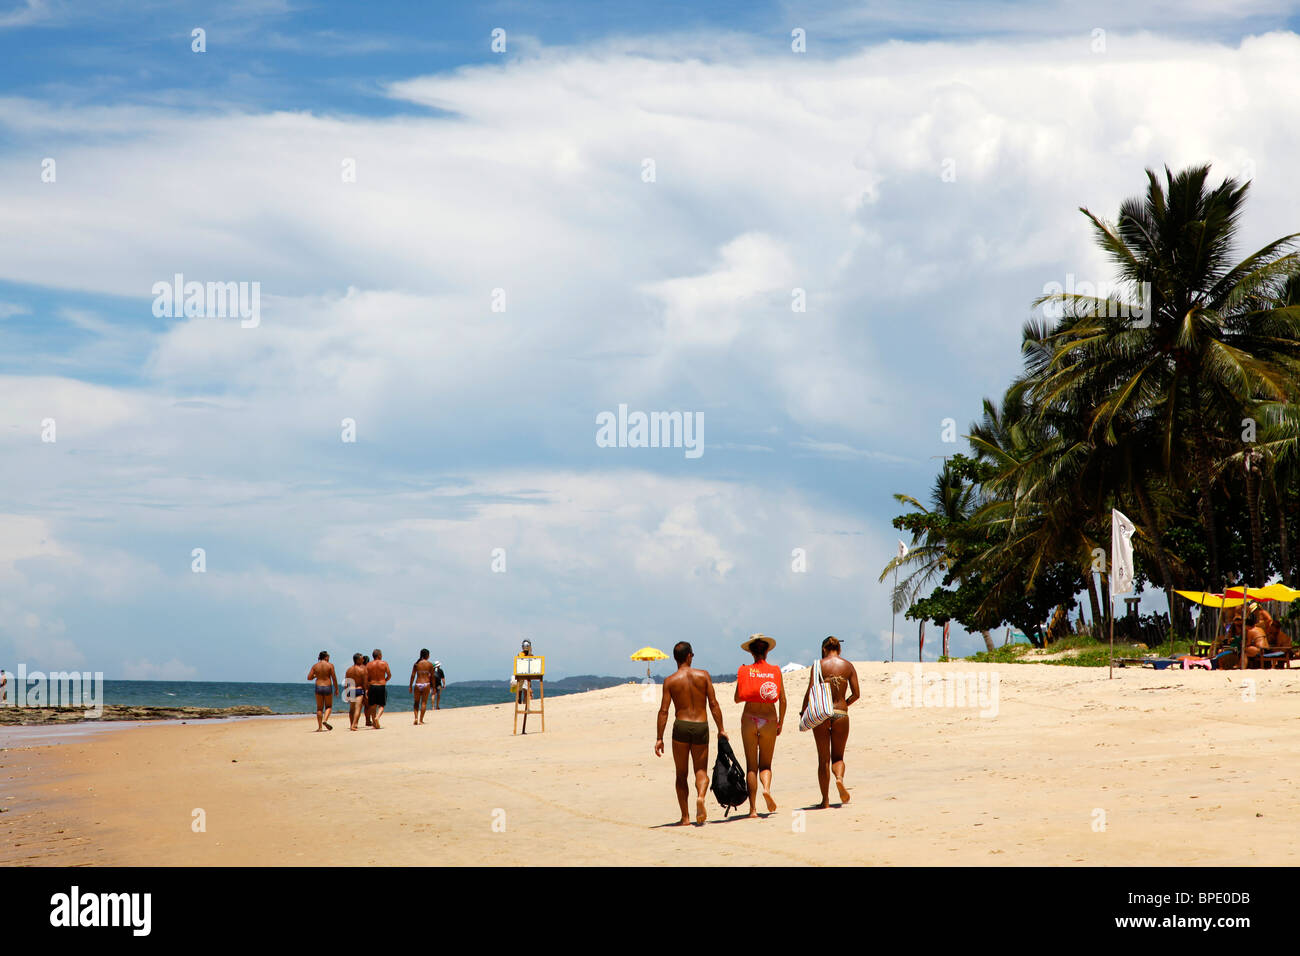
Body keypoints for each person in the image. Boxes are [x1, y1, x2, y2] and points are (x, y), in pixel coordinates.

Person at [655, 641, 727, 825]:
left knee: (681, 774)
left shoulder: (670, 681)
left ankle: (685, 817)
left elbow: (664, 711)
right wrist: (721, 729)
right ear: (689, 656)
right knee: (701, 770)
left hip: (681, 726)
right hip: (701, 726)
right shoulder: (703, 676)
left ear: (675, 658)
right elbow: (713, 704)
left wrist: (659, 738)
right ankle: (701, 796)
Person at [801, 636, 859, 808]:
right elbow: (856, 694)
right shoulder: (848, 666)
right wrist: (844, 705)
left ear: (824, 649)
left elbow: (811, 690)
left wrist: (803, 710)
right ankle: (839, 779)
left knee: (823, 759)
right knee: (838, 757)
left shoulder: (818, 665)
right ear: (839, 649)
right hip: (841, 713)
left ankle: (825, 801)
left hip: (822, 714)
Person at [734, 634, 785, 817]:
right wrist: (781, 722)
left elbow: (737, 698)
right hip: (769, 719)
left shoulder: (745, 671)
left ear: (752, 652)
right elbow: (783, 700)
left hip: (749, 718)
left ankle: (753, 809)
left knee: (751, 766)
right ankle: (767, 789)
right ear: (766, 651)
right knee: (766, 764)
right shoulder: (775, 671)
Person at [307, 651, 337, 732]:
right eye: (329, 657)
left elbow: (309, 677)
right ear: (326, 657)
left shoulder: (315, 666)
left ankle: (320, 727)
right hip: (327, 686)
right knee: (329, 706)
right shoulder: (330, 665)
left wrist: (315, 676)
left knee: (319, 708)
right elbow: (334, 678)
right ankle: (325, 720)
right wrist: (336, 689)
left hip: (318, 686)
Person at [366, 649, 392, 729]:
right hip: (381, 685)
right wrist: (385, 680)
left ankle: (374, 722)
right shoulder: (384, 663)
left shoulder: (368, 665)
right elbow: (389, 675)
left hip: (372, 685)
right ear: (379, 655)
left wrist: (367, 687)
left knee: (372, 705)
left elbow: (366, 677)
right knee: (381, 705)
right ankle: (377, 717)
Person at [410, 649, 435, 725]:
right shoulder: (430, 665)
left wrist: (410, 685)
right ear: (427, 655)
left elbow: (413, 675)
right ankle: (421, 720)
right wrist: (433, 687)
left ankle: (416, 718)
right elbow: (432, 677)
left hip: (418, 684)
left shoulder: (416, 664)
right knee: (424, 703)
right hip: (426, 684)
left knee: (416, 702)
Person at [344, 653, 368, 731]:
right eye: (361, 659)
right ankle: (354, 725)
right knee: (357, 709)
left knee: (351, 709)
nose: (363, 660)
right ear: (357, 660)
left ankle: (351, 724)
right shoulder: (362, 670)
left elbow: (346, 683)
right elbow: (364, 683)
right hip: (358, 689)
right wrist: (365, 693)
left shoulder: (348, 670)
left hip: (350, 690)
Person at [361, 655, 373, 725]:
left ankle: (353, 722)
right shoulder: (367, 669)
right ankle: (368, 721)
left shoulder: (359, 668)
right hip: (367, 688)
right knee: (367, 706)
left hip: (358, 688)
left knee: (357, 706)